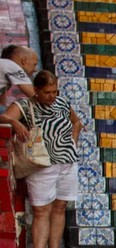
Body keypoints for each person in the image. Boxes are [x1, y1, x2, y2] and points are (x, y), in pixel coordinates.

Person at [0, 70, 82, 248]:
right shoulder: (25, 105)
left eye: (55, 91)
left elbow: (77, 122)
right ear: (36, 90)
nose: (52, 96)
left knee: (60, 208)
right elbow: (3, 117)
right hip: (41, 165)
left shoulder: (62, 103)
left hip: (67, 162)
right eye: (47, 92)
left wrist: (73, 143)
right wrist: (15, 122)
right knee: (41, 211)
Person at [0, 45, 38, 112]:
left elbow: (1, 103)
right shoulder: (12, 66)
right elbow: (33, 95)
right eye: (34, 64)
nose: (35, 69)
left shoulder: (5, 66)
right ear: (24, 60)